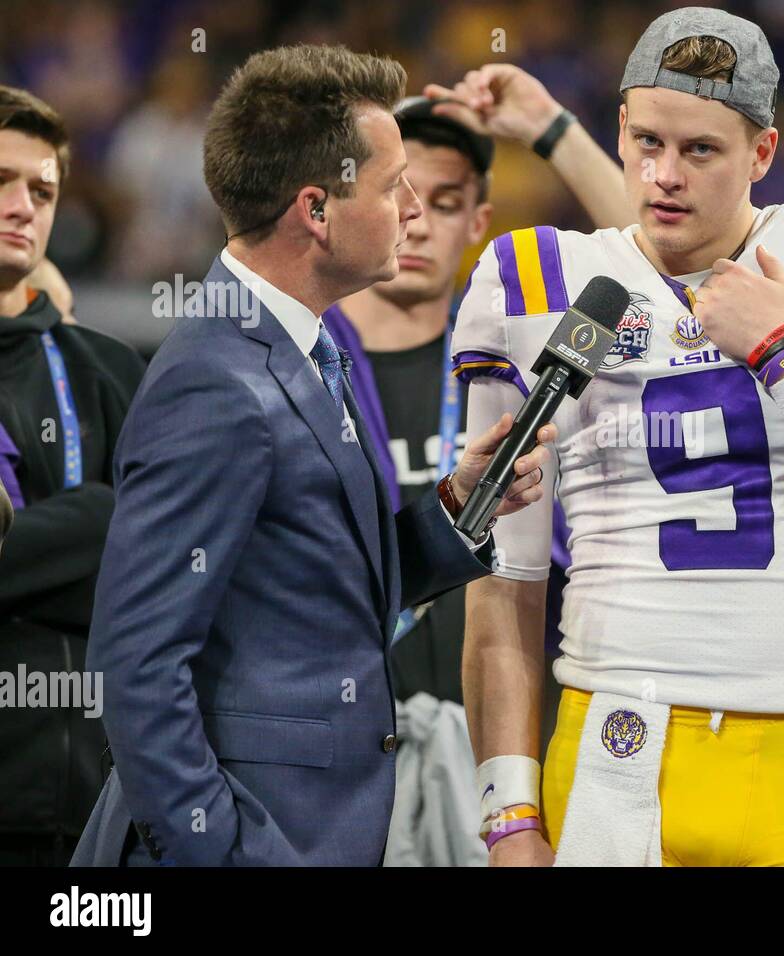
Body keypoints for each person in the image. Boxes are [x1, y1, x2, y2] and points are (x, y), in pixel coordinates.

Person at [455, 8, 784, 867]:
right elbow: (505, 586)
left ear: (762, 154)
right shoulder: (534, 281)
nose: (664, 176)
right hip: (612, 739)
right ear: (619, 127)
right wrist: (509, 816)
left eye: (700, 151)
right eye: (647, 142)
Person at [70, 44, 552, 868]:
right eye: (393, 184)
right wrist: (220, 847)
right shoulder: (215, 381)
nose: (410, 208)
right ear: (316, 209)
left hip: (317, 827)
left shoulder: (296, 349)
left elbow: (318, 582)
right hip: (263, 838)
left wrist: (453, 506)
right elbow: (135, 664)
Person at [322, 81, 630, 865]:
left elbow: (641, 252)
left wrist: (553, 129)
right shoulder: (299, 366)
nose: (418, 220)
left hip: (508, 744)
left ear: (479, 222)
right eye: (401, 193)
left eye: (448, 200)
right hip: (342, 744)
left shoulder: (521, 358)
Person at [0, 86, 145, 867]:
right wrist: (94, 521)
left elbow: (153, 562)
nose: (23, 205)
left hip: (96, 809)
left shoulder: (108, 368)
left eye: (42, 190)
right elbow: (115, 532)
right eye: (2, 182)